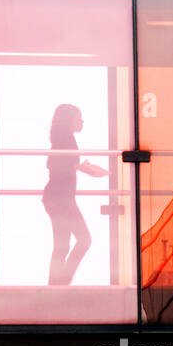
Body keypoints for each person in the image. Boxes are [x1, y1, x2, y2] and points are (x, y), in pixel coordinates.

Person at [43, 103, 107, 285]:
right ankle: (60, 283)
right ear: (69, 120)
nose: (82, 122)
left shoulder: (62, 138)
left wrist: (81, 167)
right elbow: (56, 165)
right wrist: (84, 168)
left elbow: (58, 164)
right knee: (84, 240)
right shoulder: (66, 139)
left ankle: (55, 286)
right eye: (79, 118)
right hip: (61, 199)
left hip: (56, 198)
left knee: (62, 246)